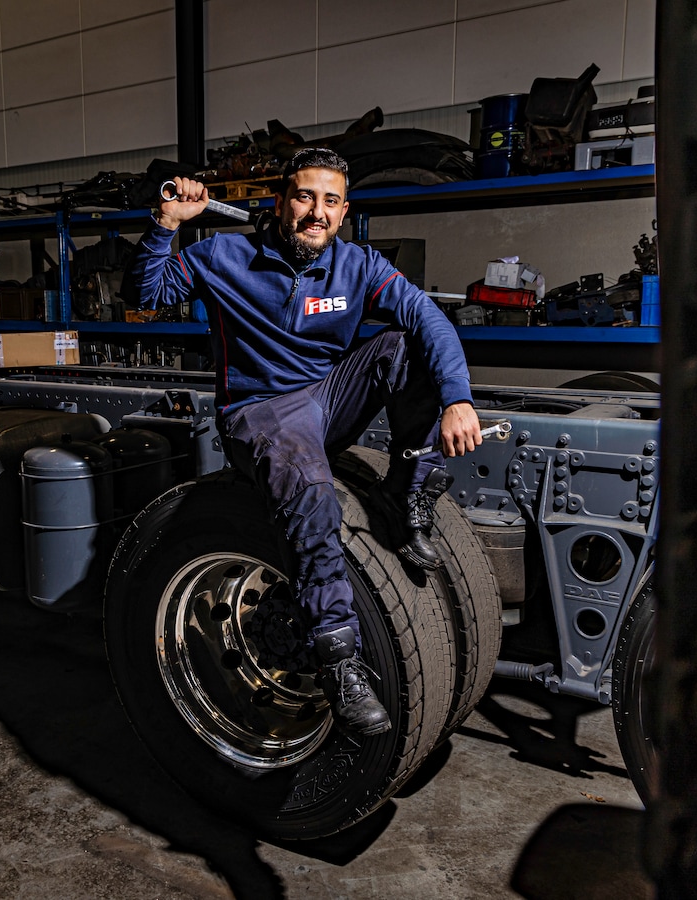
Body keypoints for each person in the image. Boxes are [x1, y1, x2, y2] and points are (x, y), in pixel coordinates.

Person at [124, 147, 482, 736]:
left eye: (330, 201)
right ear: (280, 202)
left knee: (407, 342)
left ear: (344, 213)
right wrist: (167, 225)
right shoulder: (224, 255)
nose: (316, 212)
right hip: (261, 410)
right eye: (304, 196)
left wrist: (457, 396)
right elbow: (149, 294)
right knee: (316, 496)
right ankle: (340, 659)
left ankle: (406, 496)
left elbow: (425, 315)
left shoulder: (358, 265)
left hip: (327, 399)